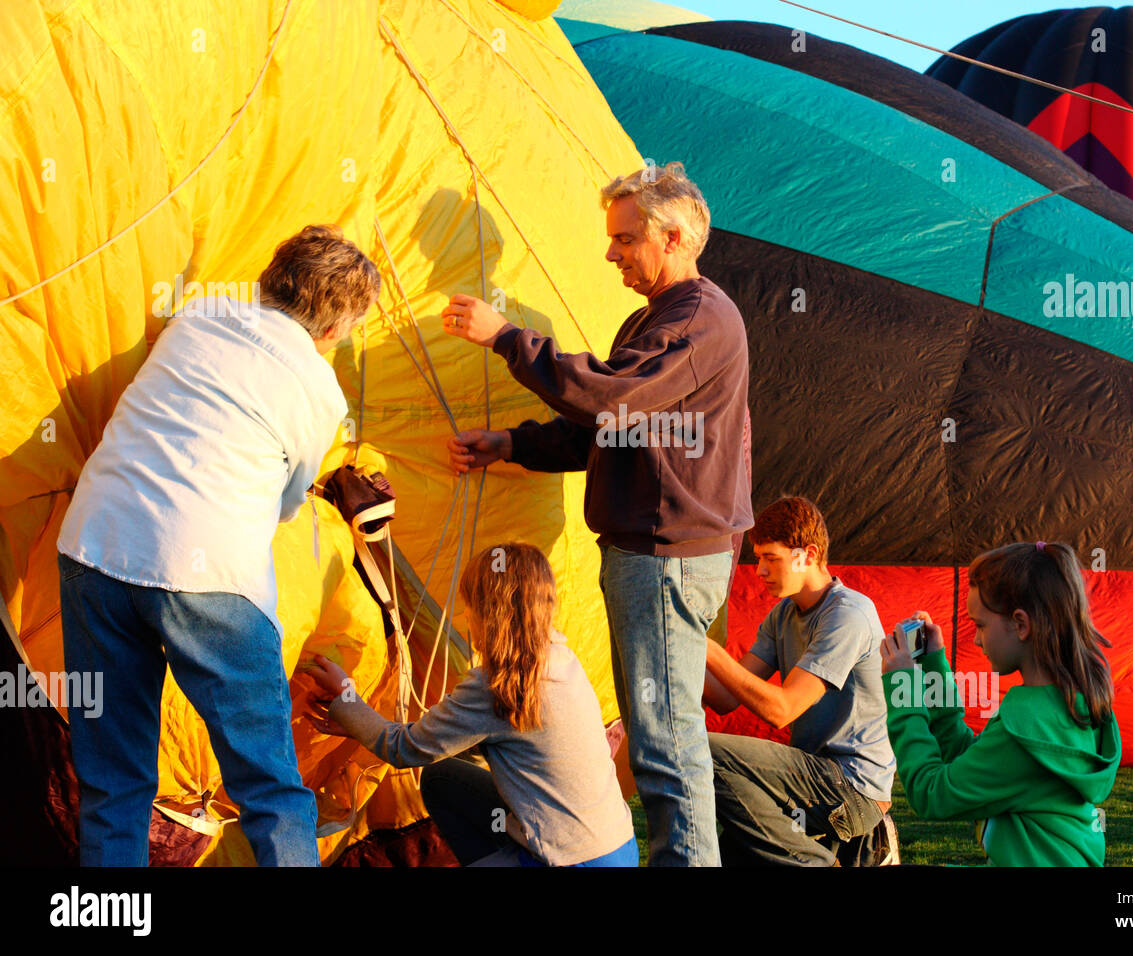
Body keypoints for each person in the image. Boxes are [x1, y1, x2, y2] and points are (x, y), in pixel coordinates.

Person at [440, 161, 751, 866]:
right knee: (660, 733)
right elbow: (613, 427)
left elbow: (610, 399)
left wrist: (505, 338)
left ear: (672, 237)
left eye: (624, 238)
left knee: (665, 742)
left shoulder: (697, 321)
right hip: (653, 552)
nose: (610, 252)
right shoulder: (660, 319)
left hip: (665, 557)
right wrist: (514, 444)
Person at [57, 225, 379, 866]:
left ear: (271, 276)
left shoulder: (198, 315)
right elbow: (287, 505)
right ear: (336, 328)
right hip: (210, 576)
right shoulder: (320, 390)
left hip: (94, 545)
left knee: (112, 783)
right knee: (271, 790)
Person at [303, 542, 637, 867]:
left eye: (470, 605)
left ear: (489, 614)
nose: (465, 614)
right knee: (442, 778)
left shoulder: (495, 684)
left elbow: (404, 750)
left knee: (438, 777)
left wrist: (347, 696)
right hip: (619, 848)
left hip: (566, 860)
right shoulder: (562, 659)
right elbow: (475, 742)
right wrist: (358, 727)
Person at [881, 541, 1122, 866]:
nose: (977, 639)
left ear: (1021, 624)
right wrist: (933, 666)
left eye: (981, 625)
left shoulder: (1023, 730)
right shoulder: (1067, 706)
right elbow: (966, 759)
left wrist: (904, 690)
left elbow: (932, 794)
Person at [703, 496, 897, 866]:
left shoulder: (849, 614)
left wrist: (706, 649)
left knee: (704, 751)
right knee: (734, 850)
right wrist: (675, 649)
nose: (758, 570)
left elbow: (783, 709)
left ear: (807, 555)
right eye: (757, 557)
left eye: (769, 558)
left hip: (852, 789)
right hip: (811, 780)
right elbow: (727, 697)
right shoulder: (783, 614)